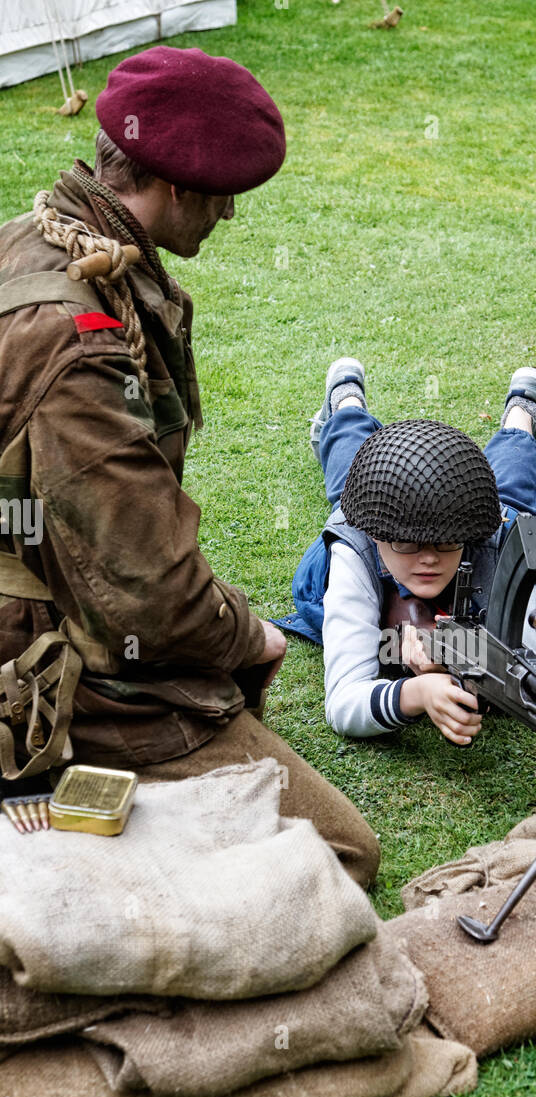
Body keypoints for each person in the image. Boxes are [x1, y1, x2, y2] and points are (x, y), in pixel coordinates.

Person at [0, 46, 379, 885]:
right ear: (172, 187)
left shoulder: (41, 238)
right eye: (224, 195)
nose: (231, 215)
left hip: (57, 593)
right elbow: (149, 597)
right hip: (53, 659)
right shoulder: (77, 346)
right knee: (333, 858)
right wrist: (249, 635)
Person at [276, 360, 536, 744]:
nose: (429, 558)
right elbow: (343, 702)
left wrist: (453, 655)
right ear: (375, 534)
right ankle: (346, 398)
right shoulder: (358, 539)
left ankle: (523, 410)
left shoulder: (491, 529)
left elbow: (528, 662)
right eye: (407, 544)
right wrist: (415, 694)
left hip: (480, 511)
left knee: (513, 493)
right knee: (351, 471)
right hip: (366, 506)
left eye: (445, 542)